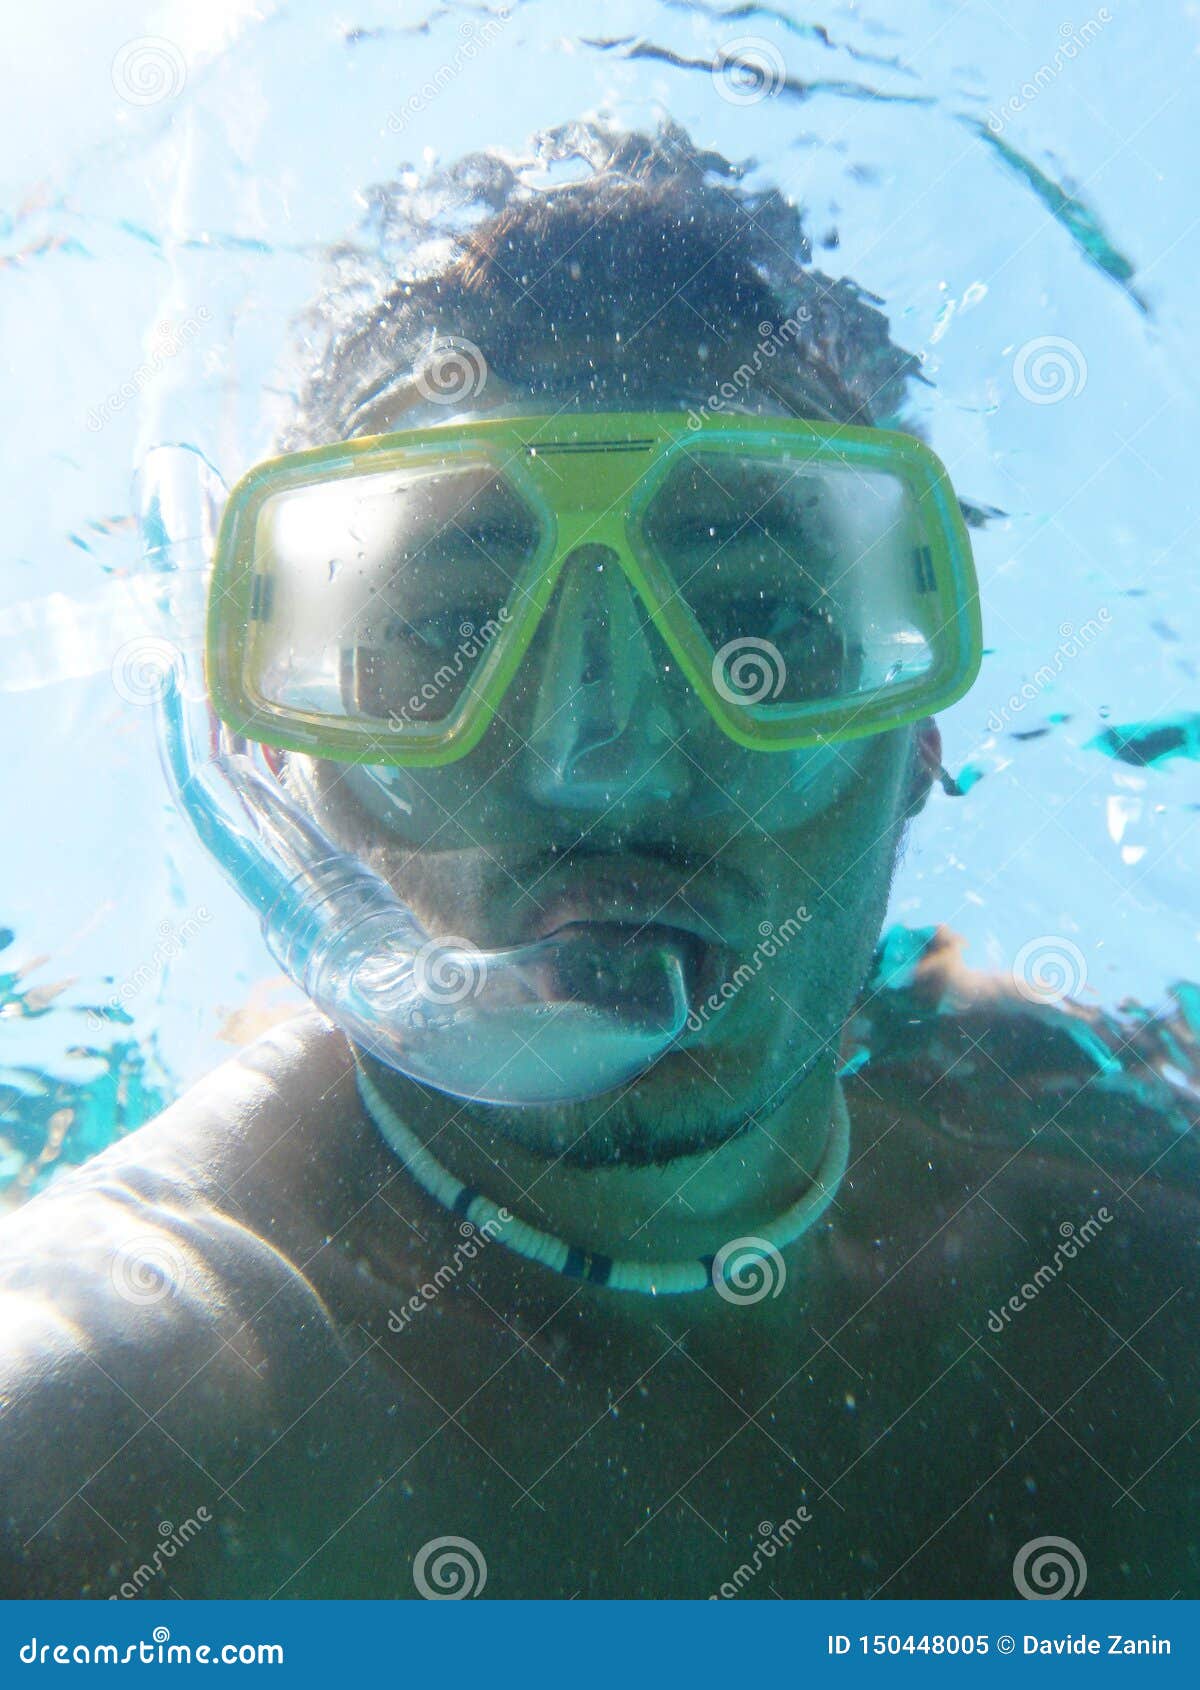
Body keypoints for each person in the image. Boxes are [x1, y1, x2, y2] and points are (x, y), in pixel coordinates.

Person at [0, 122, 1196, 1602]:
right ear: (279, 768)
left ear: (923, 736)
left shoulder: (1135, 1230)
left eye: (754, 618)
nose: (601, 757)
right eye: (446, 635)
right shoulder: (104, 1438)